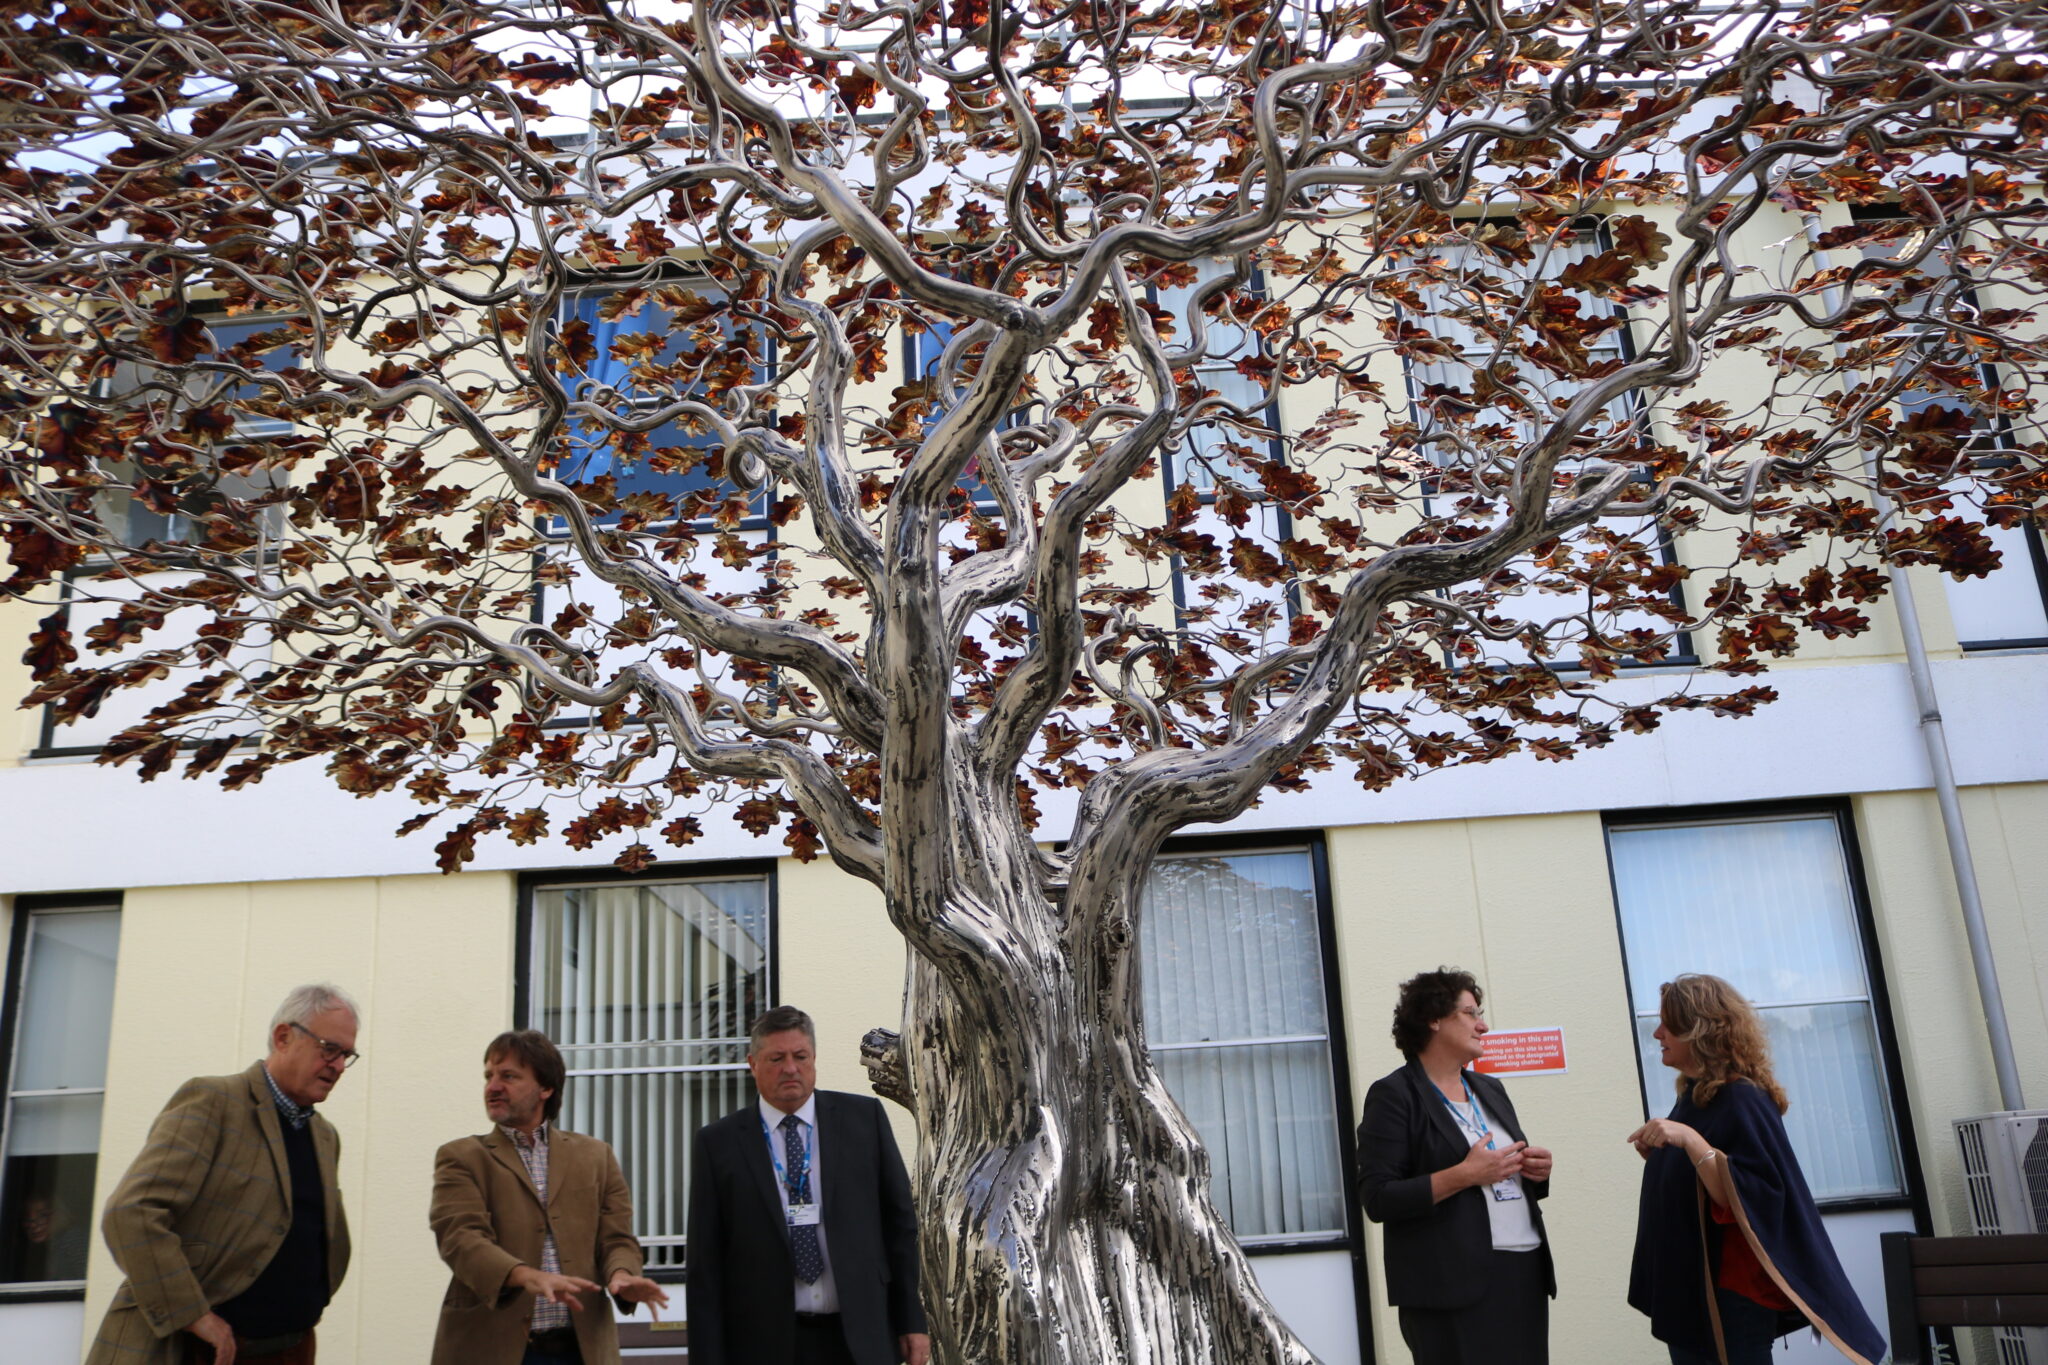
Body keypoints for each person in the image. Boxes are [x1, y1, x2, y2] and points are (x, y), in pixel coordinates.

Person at [87, 983, 360, 1365]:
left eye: (346, 1055)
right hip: (198, 1350)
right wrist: (192, 1315)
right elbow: (131, 1213)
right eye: (329, 1048)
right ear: (283, 1037)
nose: (337, 1065)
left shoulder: (323, 1135)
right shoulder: (213, 1102)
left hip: (290, 1348)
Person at [1628, 973, 1886, 1365]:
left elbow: (1757, 1195)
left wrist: (1690, 1141)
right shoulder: (1697, 1097)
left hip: (1732, 1295)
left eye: (1669, 1024)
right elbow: (1706, 1180)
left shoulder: (1742, 1098)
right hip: (1692, 1290)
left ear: (1699, 1030)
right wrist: (1666, 1159)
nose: (1658, 1033)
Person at [687, 1005, 929, 1365]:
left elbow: (901, 1228)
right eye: (776, 1058)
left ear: (813, 1058)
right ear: (753, 1064)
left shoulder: (864, 1122)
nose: (790, 1068)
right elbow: (704, 1265)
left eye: (800, 1056)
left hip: (861, 1338)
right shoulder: (718, 1144)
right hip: (763, 1344)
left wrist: (913, 1321)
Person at [428, 1029, 668, 1365]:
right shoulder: (462, 1156)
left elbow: (616, 1238)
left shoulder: (595, 1155)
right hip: (495, 1347)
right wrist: (527, 1275)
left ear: (546, 1088)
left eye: (508, 1076)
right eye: (489, 1076)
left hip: (580, 1349)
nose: (493, 1087)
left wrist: (622, 1275)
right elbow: (461, 1239)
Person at [1356, 968, 1556, 1364]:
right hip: (1449, 1286)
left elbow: (1502, 1175)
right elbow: (1378, 1198)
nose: (1483, 1026)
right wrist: (1465, 1175)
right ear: (1433, 1018)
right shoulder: (1394, 1096)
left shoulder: (1489, 1088)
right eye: (1470, 1013)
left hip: (1521, 1271)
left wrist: (1534, 1172)